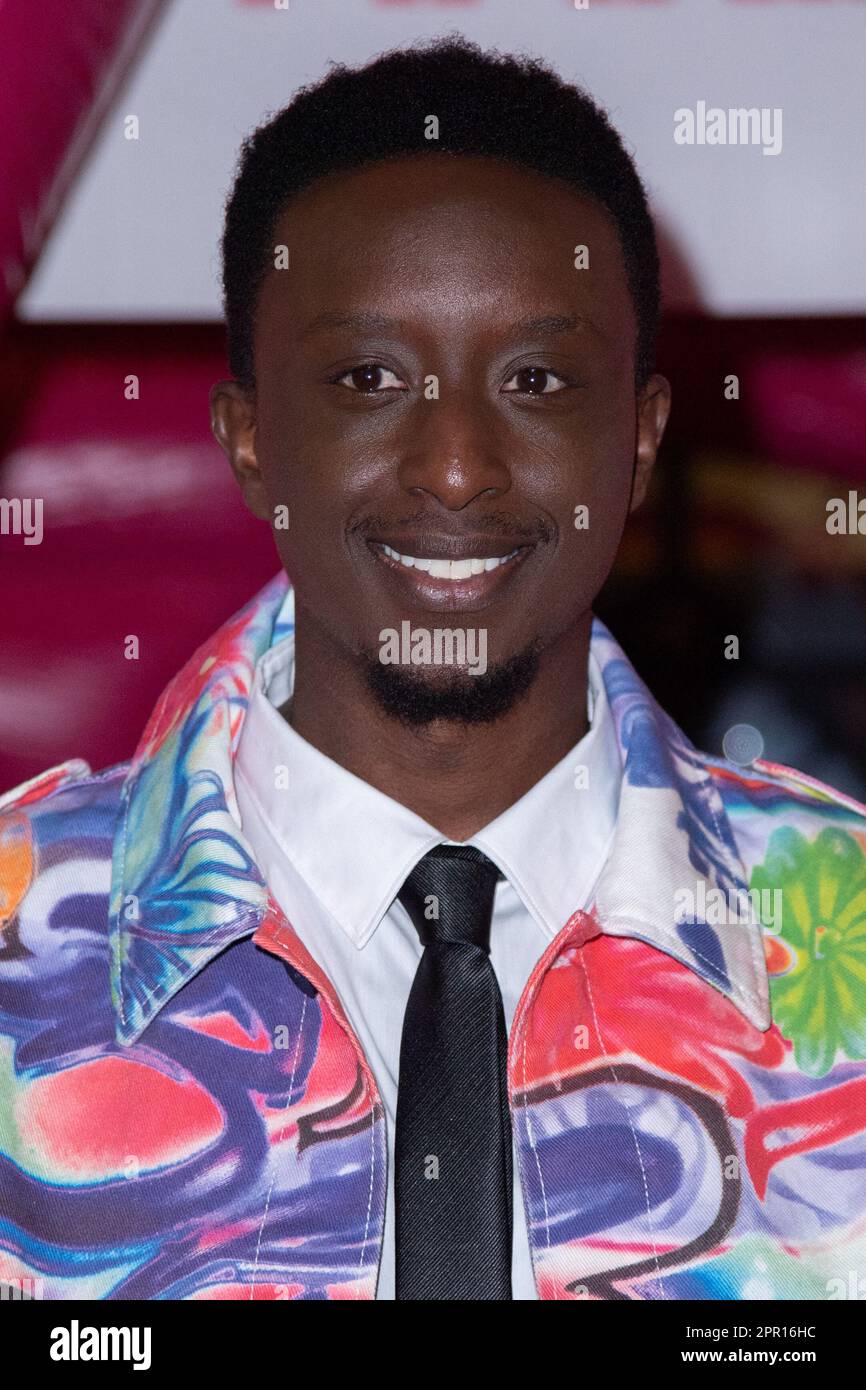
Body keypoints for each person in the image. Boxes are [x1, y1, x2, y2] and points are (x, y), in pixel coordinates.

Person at [2, 36, 865, 1303]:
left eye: (535, 378)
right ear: (248, 439)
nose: (455, 464)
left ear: (637, 440)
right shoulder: (21, 948)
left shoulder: (839, 924)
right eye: (367, 377)